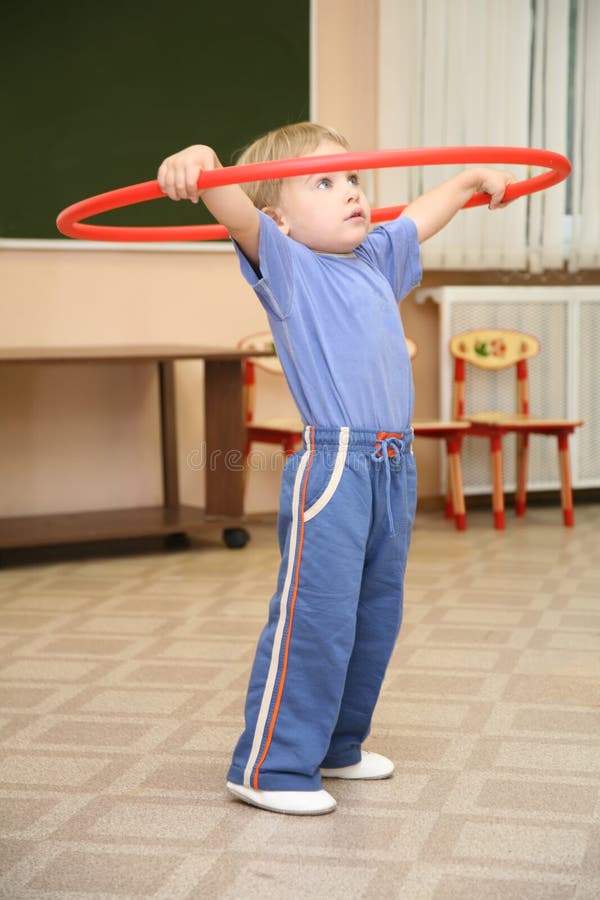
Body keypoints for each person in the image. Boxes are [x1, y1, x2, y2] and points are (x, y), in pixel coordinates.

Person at [157, 122, 514, 816]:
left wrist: (469, 180)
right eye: (324, 181)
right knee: (315, 616)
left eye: (352, 176)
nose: (351, 191)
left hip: (393, 466)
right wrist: (204, 164)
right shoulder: (287, 264)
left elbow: (418, 217)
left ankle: (339, 745)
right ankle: (272, 766)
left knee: (374, 613)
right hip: (337, 467)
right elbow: (232, 207)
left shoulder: (375, 257)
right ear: (280, 219)